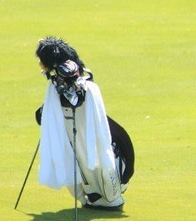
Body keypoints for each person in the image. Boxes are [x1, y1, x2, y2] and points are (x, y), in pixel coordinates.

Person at [34, 36, 134, 210]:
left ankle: (106, 196)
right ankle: (92, 196)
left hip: (80, 122)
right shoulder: (58, 83)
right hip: (72, 123)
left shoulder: (85, 88)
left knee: (90, 156)